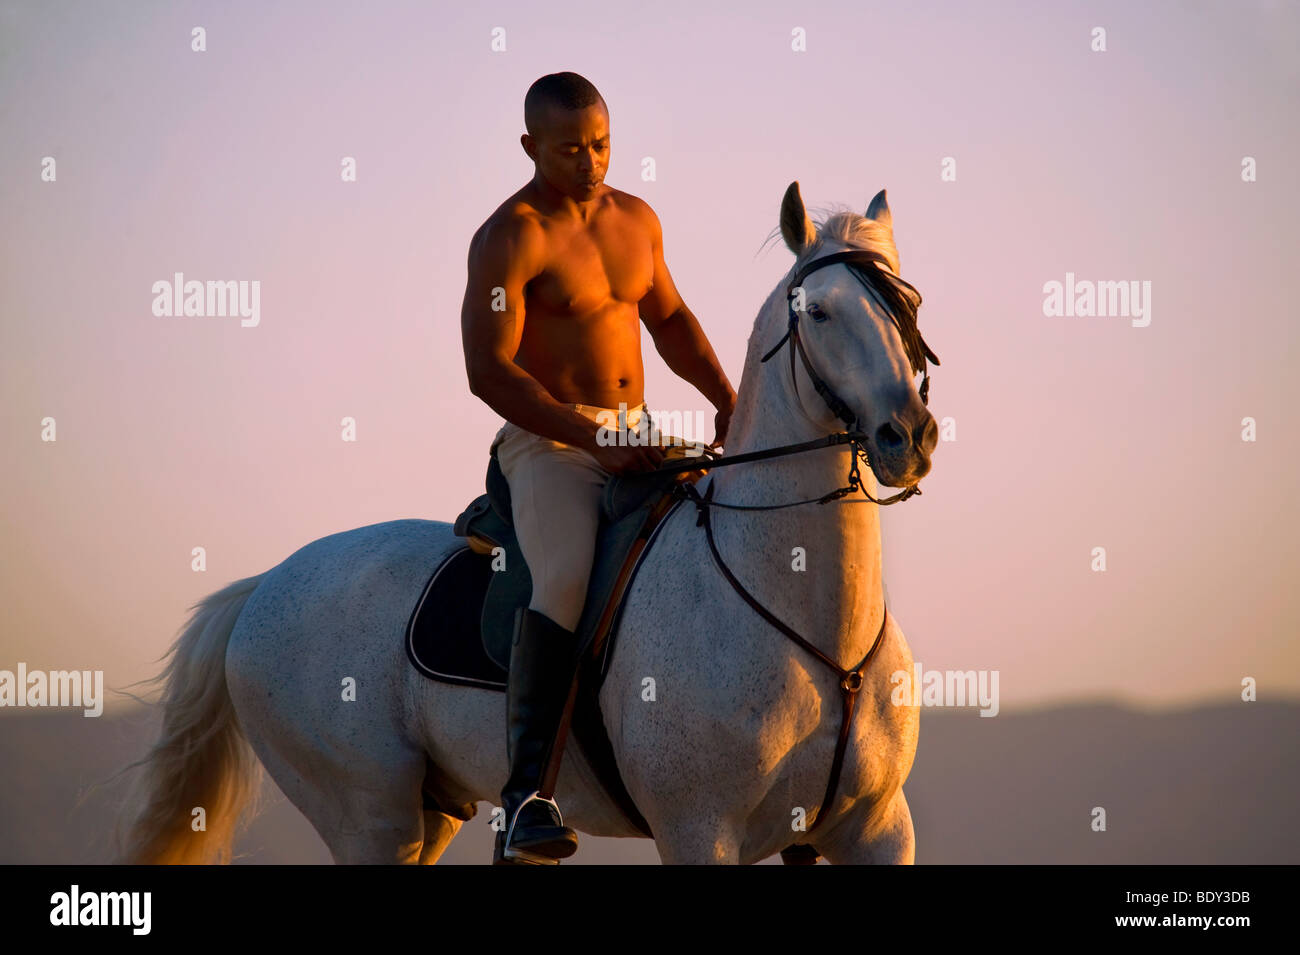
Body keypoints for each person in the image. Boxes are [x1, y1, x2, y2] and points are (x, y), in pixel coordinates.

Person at [460, 71, 737, 864]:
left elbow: (672, 318)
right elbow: (490, 371)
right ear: (529, 147)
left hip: (641, 434)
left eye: (603, 144)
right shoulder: (511, 234)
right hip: (546, 444)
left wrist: (727, 398)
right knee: (568, 580)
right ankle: (526, 799)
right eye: (572, 148)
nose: (592, 161)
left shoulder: (636, 220)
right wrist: (587, 437)